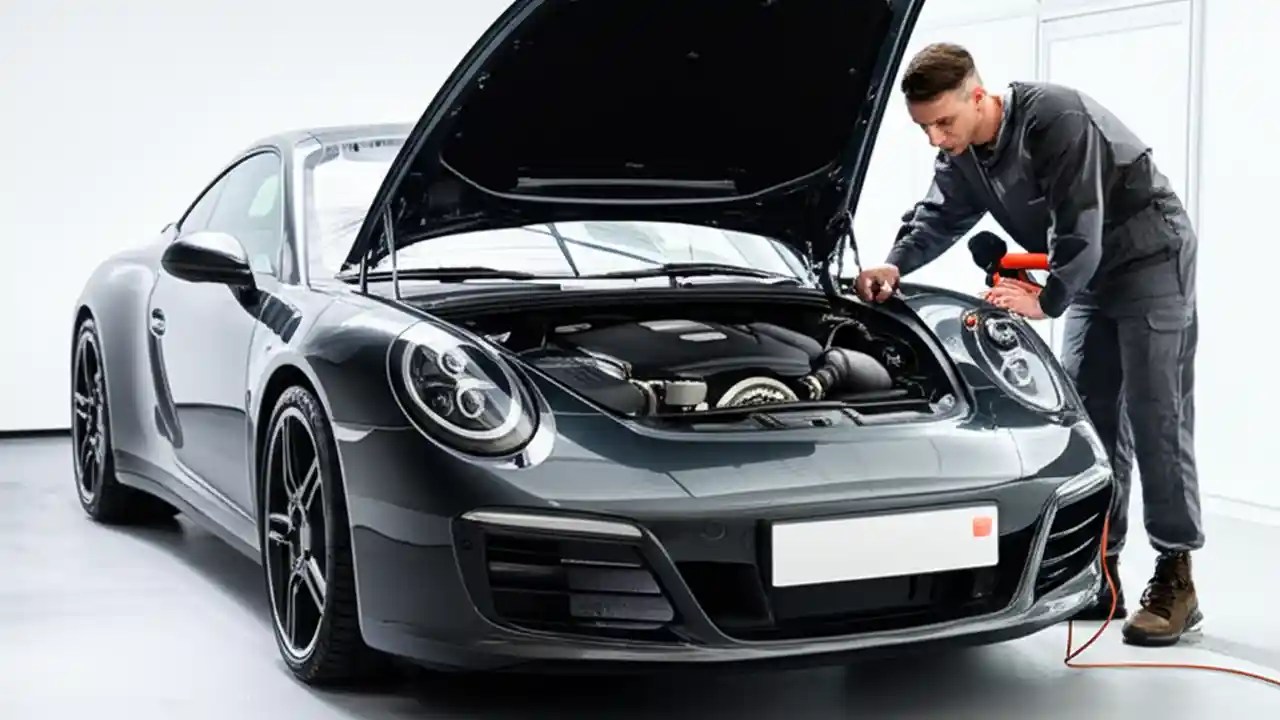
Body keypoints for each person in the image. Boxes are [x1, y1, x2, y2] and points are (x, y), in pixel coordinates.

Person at [854, 42, 1203, 647]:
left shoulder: (1056, 120)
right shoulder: (962, 153)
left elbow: (1081, 223)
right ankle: (1103, 571)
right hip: (1088, 271)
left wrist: (1045, 301)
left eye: (944, 122)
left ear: (980, 96)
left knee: (1156, 415)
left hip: (1150, 256)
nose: (936, 138)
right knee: (1088, 419)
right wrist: (894, 264)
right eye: (924, 127)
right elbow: (938, 216)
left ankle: (1177, 576)